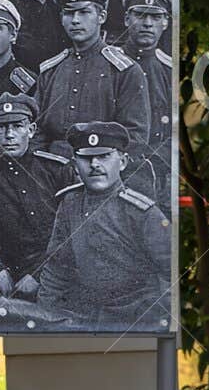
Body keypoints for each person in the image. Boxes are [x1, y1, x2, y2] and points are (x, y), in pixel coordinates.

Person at [38, 121, 171, 328]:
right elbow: (57, 269)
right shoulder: (70, 203)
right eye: (86, 158)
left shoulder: (141, 212)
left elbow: (173, 273)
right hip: (86, 314)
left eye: (104, 156)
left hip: (136, 318)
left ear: (123, 162)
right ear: (75, 164)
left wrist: (156, 319)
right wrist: (46, 318)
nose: (95, 165)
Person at [0, 92, 72, 298]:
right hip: (7, 275)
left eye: (17, 126)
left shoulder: (57, 171)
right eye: (2, 128)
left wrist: (39, 274)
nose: (9, 135)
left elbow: (74, 229)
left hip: (58, 269)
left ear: (31, 131)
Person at [36, 0, 150, 153]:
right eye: (68, 13)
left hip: (101, 166)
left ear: (101, 17)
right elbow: (36, 131)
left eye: (84, 12)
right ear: (61, 18)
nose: (75, 20)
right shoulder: (50, 71)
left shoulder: (125, 70)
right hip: (51, 169)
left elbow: (135, 137)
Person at [119, 0, 175, 205]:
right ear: (126, 20)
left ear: (165, 22)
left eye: (155, 17)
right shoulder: (109, 63)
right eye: (140, 15)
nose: (147, 24)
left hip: (158, 173)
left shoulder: (169, 70)